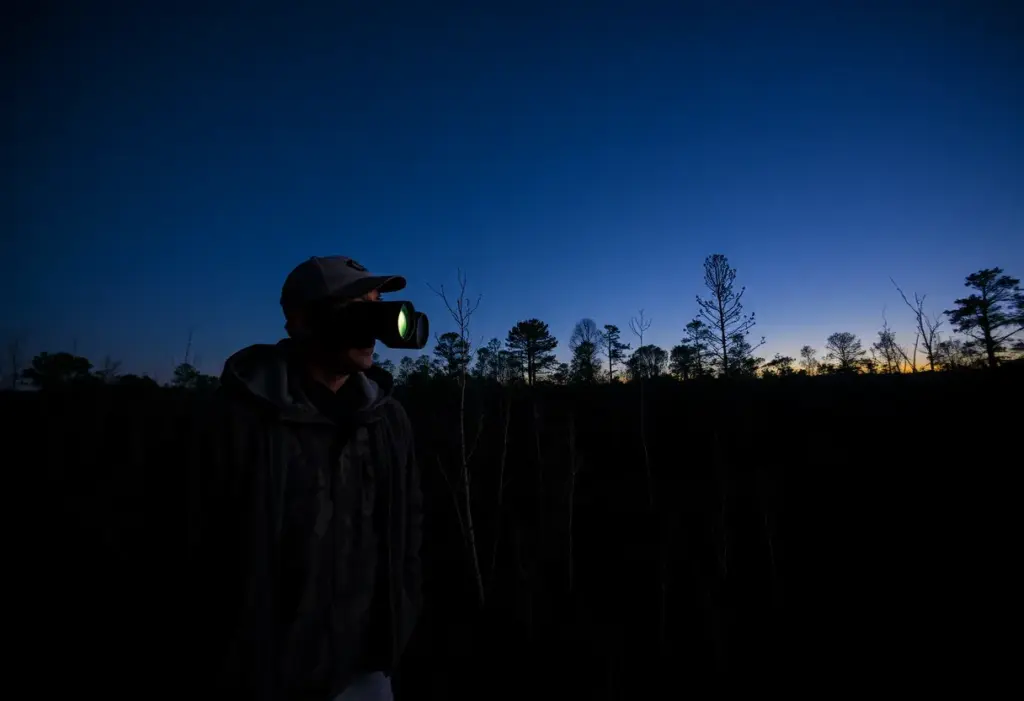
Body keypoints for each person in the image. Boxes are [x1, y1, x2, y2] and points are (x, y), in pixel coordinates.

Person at [188, 255, 423, 701]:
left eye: (378, 305)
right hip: (266, 675)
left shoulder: (388, 419)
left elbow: (410, 524)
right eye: (358, 306)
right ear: (301, 321)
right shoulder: (236, 420)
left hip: (366, 668)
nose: (376, 324)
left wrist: (402, 615)